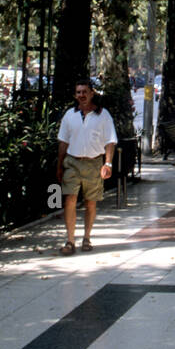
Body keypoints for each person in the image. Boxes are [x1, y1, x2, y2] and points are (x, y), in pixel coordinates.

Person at [57, 79, 118, 254]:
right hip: (73, 162)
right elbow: (63, 141)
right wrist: (59, 165)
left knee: (90, 202)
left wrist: (108, 163)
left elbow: (110, 141)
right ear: (75, 95)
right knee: (70, 199)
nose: (82, 95)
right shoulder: (69, 115)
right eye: (78, 92)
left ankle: (87, 238)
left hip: (94, 163)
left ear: (92, 93)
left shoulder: (103, 115)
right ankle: (70, 241)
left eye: (85, 92)